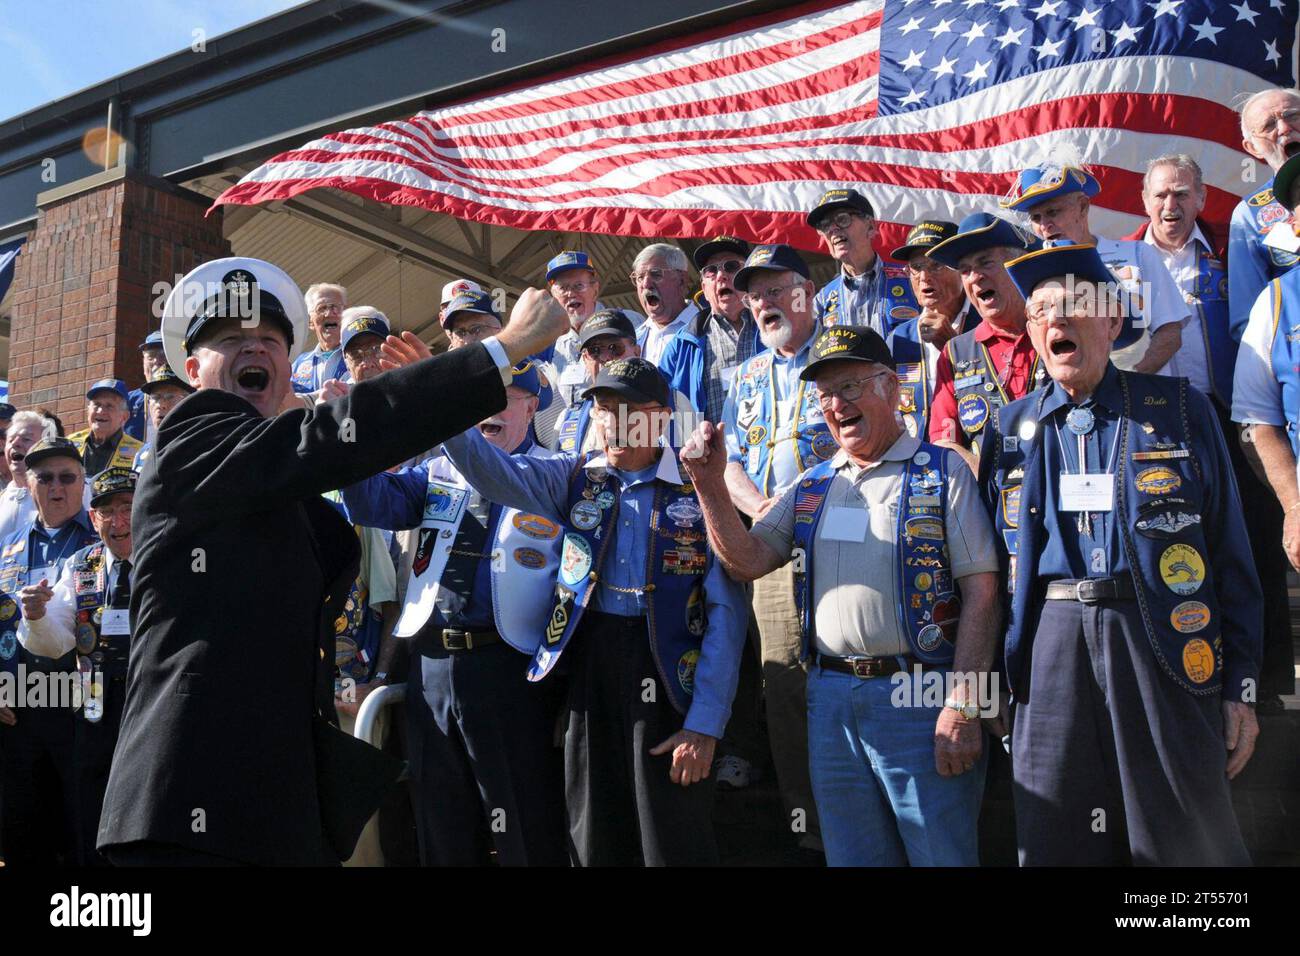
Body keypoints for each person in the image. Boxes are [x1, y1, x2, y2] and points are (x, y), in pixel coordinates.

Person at [95, 256, 568, 866]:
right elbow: (328, 445)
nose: (254, 350)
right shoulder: (193, 437)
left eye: (269, 340)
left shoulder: (269, 475)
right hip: (196, 796)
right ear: (191, 370)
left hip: (275, 805)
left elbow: (323, 464)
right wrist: (503, 348)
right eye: (233, 341)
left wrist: (309, 426)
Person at [980, 242, 1260, 865]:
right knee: (1055, 832)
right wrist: (986, 681)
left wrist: (1241, 684)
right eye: (1042, 310)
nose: (1057, 320)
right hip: (1049, 647)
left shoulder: (1180, 412)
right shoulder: (1009, 427)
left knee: (1185, 835)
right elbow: (990, 576)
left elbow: (1231, 554)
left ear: (1112, 318)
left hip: (1159, 634)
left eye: (1074, 305)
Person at [680, 326, 1001, 865]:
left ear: (892, 387)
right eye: (825, 394)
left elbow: (984, 595)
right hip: (829, 698)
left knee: (941, 855)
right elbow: (747, 561)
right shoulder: (814, 484)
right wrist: (710, 484)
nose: (835, 405)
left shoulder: (942, 471)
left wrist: (965, 706)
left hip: (919, 697)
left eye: (849, 387)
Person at [439, 357, 746, 866]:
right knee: (593, 832)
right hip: (589, 668)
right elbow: (491, 472)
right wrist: (439, 405)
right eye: (604, 409)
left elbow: (726, 619)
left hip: (666, 678)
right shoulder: (577, 476)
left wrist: (705, 726)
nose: (615, 422)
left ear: (664, 417)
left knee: (669, 839)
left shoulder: (699, 485)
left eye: (632, 411)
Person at [340, 360, 567, 866]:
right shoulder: (437, 473)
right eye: (481, 394)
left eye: (505, 395)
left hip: (510, 672)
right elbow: (372, 505)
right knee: (443, 829)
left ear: (532, 408)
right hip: (432, 669)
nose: (490, 405)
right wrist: (349, 433)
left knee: (523, 829)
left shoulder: (558, 472)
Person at [1134, 153, 1294, 712]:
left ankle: (1266, 684)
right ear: (1144, 201)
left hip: (1229, 419)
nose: (1170, 205)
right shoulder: (1121, 260)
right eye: (1160, 195)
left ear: (1203, 199)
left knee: (1253, 543)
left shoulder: (1232, 248)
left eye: (1182, 194)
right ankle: (1177, 682)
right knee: (1166, 548)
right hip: (1150, 426)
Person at [720, 242, 827, 851]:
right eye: (754, 293)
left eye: (774, 290)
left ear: (805, 293)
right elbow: (732, 459)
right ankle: (807, 826)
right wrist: (759, 509)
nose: (761, 302)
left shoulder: (842, 347)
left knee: (850, 672)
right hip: (771, 549)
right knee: (784, 682)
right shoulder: (748, 375)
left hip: (844, 539)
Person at [17, 466, 137, 865]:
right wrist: (36, 616)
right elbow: (57, 640)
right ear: (93, 517)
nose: (118, 522)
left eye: (127, 508)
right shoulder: (81, 564)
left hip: (150, 701)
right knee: (91, 810)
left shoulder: (166, 557)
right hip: (93, 704)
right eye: (106, 512)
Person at [0, 436, 98, 865]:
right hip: (18, 703)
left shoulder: (103, 542)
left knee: (80, 826)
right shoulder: (7, 546)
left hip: (81, 702)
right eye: (45, 478)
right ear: (30, 483)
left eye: (66, 477)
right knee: (21, 827)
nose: (56, 487)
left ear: (83, 483)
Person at [1001, 163, 1186, 373]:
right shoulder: (1029, 273)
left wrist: (1129, 383)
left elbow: (1170, 332)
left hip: (1143, 395)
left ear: (1082, 206)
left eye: (1053, 212)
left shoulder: (1137, 255)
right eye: (1036, 217)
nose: (1044, 225)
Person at [926, 213, 1044, 469]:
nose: (974, 277)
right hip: (986, 502)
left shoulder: (1054, 331)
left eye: (985, 263)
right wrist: (985, 477)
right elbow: (943, 442)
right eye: (965, 270)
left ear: (1018, 265)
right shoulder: (955, 352)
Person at [886, 221, 980, 440]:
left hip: (976, 451)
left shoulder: (987, 321)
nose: (924, 277)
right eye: (916, 268)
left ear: (961, 269)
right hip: (920, 461)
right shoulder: (899, 339)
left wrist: (954, 349)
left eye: (936, 265)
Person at [659, 236, 761, 424]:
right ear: (704, 288)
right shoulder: (681, 346)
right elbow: (661, 410)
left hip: (771, 449)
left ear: (749, 277)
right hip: (714, 452)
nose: (721, 275)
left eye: (731, 266)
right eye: (711, 271)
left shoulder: (777, 326)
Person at [1229, 88, 1300, 342]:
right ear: (1252, 147)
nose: (1283, 128)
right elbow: (1246, 319)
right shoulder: (1249, 214)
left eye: (1292, 115)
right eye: (1269, 124)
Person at [808, 187, 919, 336]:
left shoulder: (912, 279)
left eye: (842, 219)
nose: (833, 229)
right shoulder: (822, 300)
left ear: (871, 227)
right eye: (825, 225)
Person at [630, 243, 698, 366]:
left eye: (655, 274)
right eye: (640, 277)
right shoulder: (633, 339)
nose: (646, 284)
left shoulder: (707, 329)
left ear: (682, 280)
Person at [68, 379, 143, 478]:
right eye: (97, 404)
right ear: (88, 411)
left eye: (109, 406)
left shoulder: (139, 452)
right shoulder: (70, 443)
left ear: (124, 417)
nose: (101, 411)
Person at [0, 411, 53, 541]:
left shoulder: (66, 491)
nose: (15, 444)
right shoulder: (2, 499)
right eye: (10, 440)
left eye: (26, 439)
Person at [131, 367, 195, 472]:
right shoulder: (142, 453)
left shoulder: (199, 446)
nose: (161, 405)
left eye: (170, 397)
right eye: (155, 398)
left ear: (188, 402)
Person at [290, 282, 348, 394]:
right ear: (310, 322)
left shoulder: (359, 355)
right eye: (321, 308)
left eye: (335, 307)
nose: (329, 313)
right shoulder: (297, 365)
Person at [126, 331, 166, 441]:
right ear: (143, 363)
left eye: (163, 355)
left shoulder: (191, 398)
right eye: (151, 356)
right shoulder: (128, 402)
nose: (157, 361)